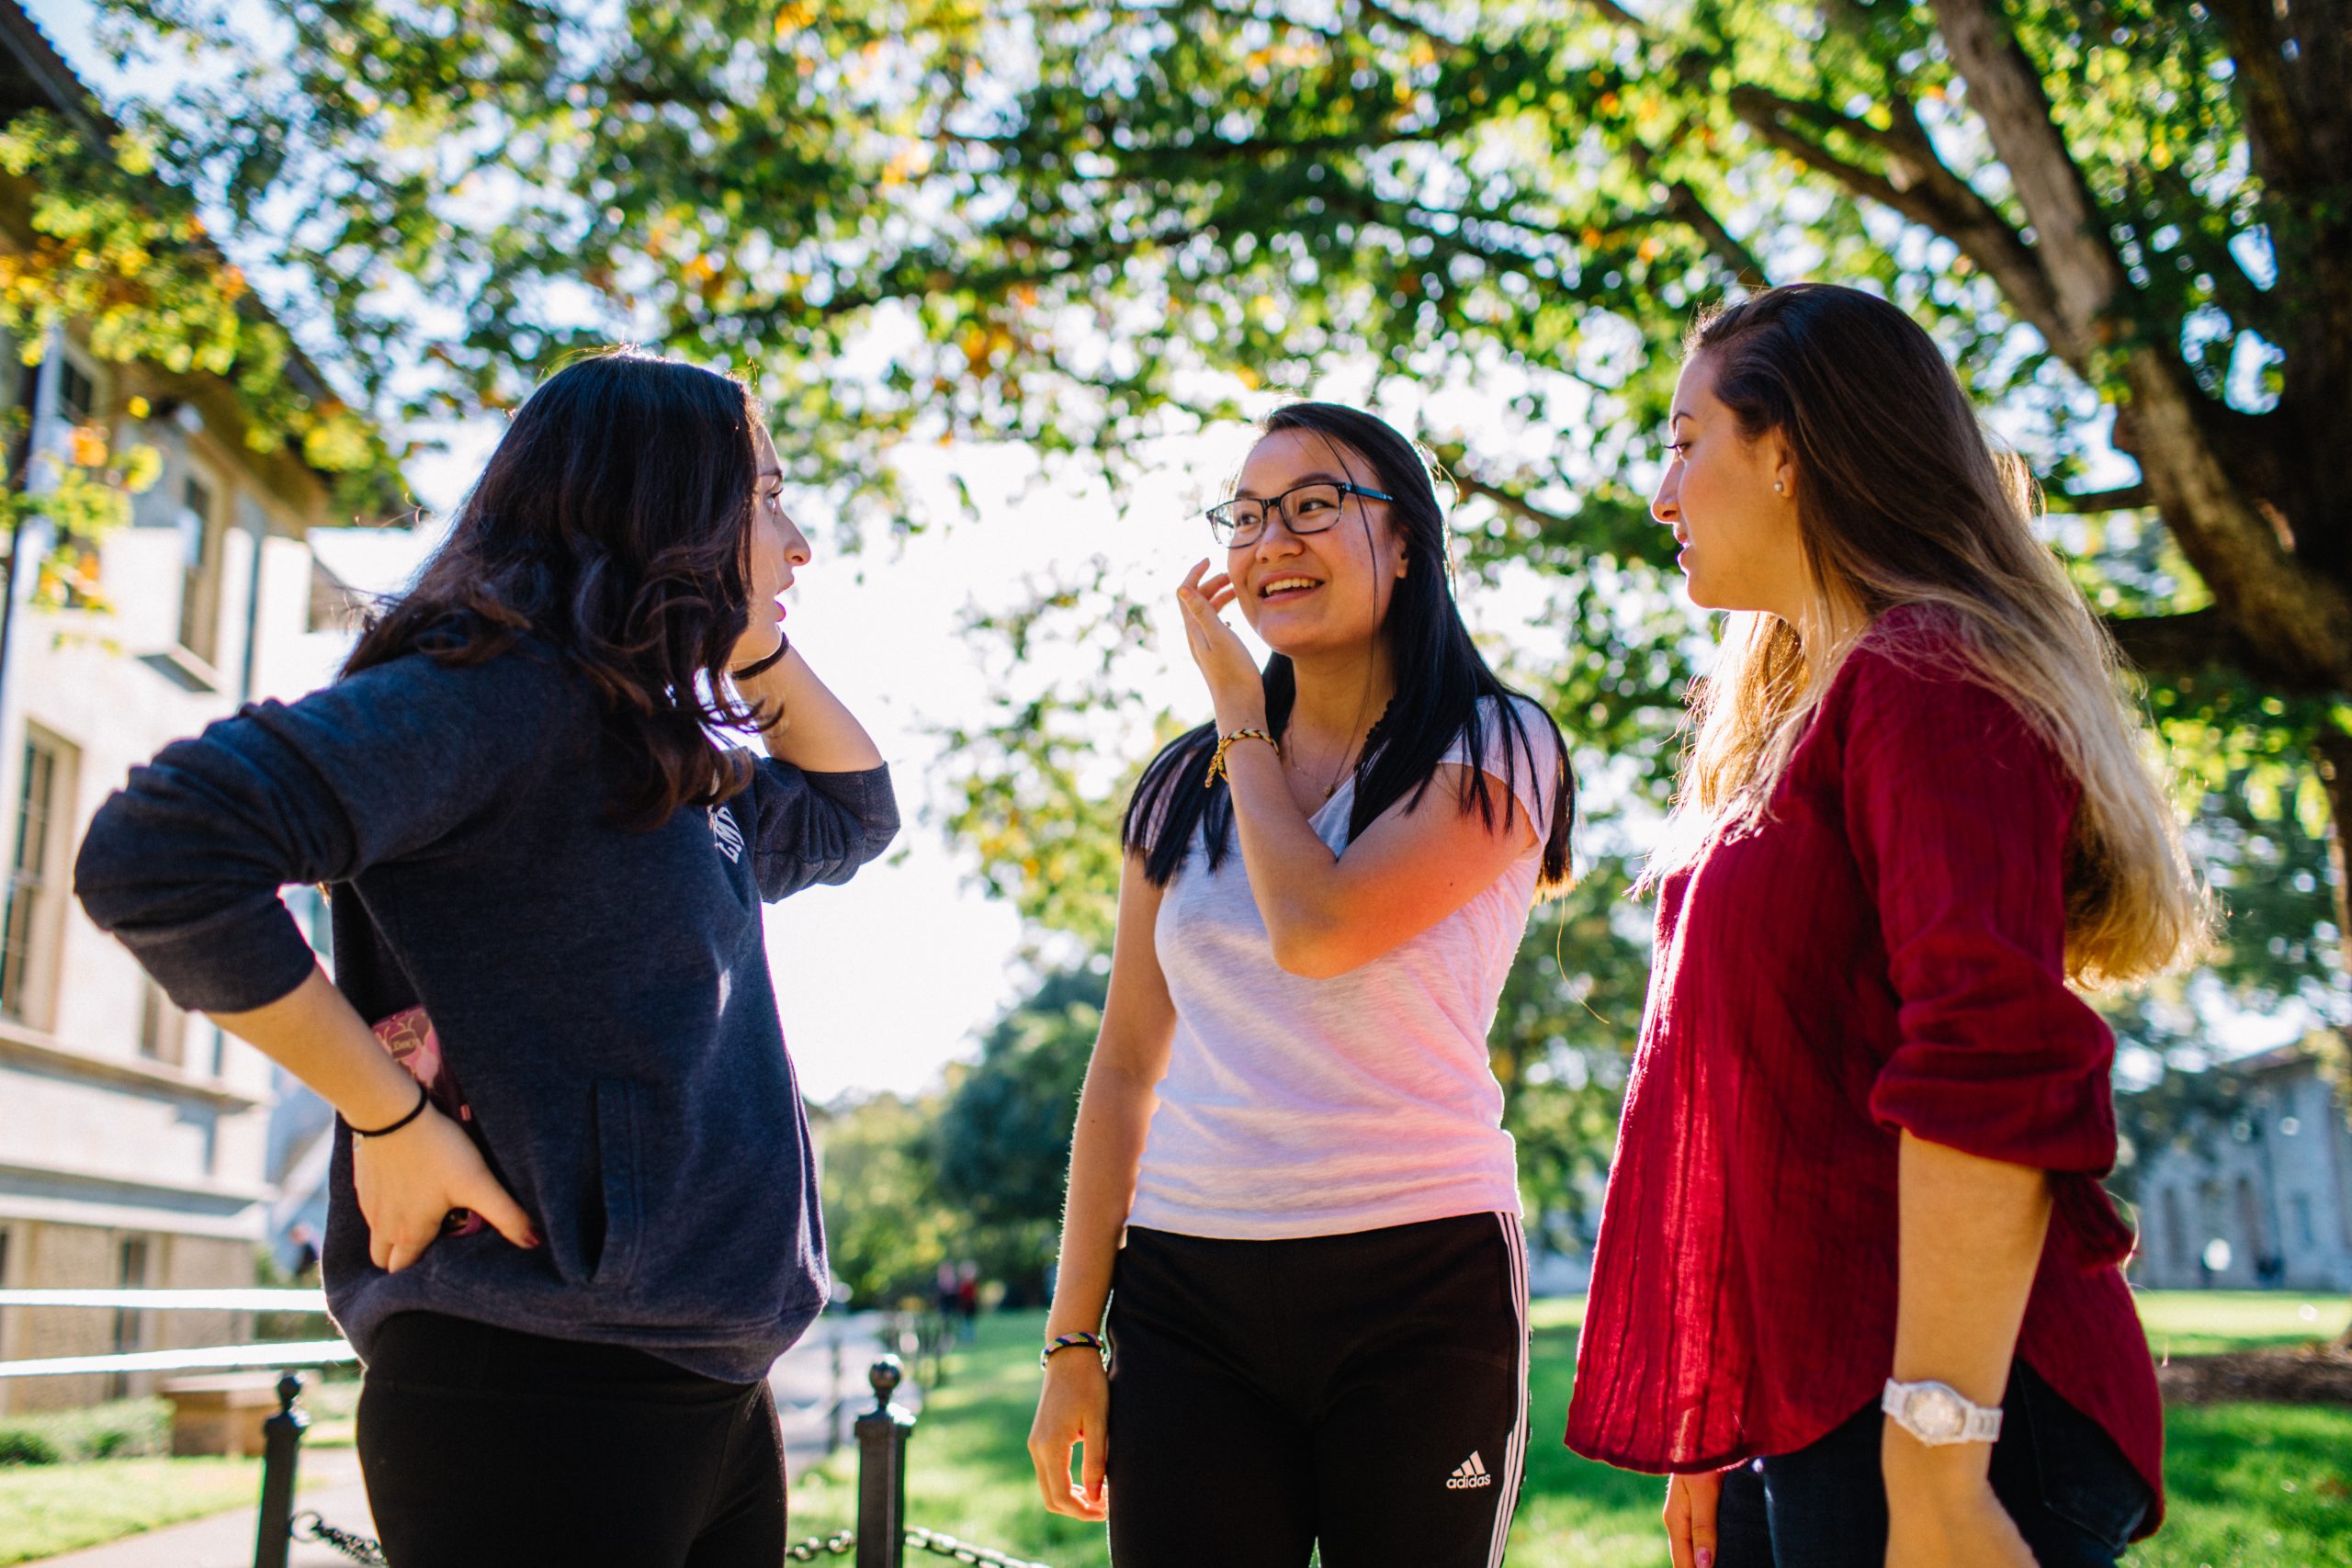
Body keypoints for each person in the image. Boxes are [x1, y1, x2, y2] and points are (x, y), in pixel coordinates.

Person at [74, 351, 898, 1568]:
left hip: (714, 1381)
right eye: (762, 497)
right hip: (534, 1387)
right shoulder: (496, 694)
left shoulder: (664, 748)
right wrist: (389, 1115)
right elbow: (161, 849)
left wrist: (746, 641)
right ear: (665, 507)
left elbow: (852, 809)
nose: (797, 538)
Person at [1564, 284, 2206, 1568]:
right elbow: (1767, 1091)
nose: (1661, 489)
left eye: (1687, 439)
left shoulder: (1928, 676)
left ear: (1788, 450)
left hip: (1953, 1412)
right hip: (1816, 1404)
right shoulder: (1816, 709)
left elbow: (1993, 1054)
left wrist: (1937, 1461)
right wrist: (1720, 1415)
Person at [1026, 401, 1576, 1568]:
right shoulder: (1178, 789)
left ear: (1407, 542)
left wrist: (1239, 712)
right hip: (1187, 1292)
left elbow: (1318, 931)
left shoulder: (1495, 743)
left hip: (1421, 1278)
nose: (1271, 540)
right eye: (1246, 514)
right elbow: (1125, 1062)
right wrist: (1073, 1340)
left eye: (1314, 506)